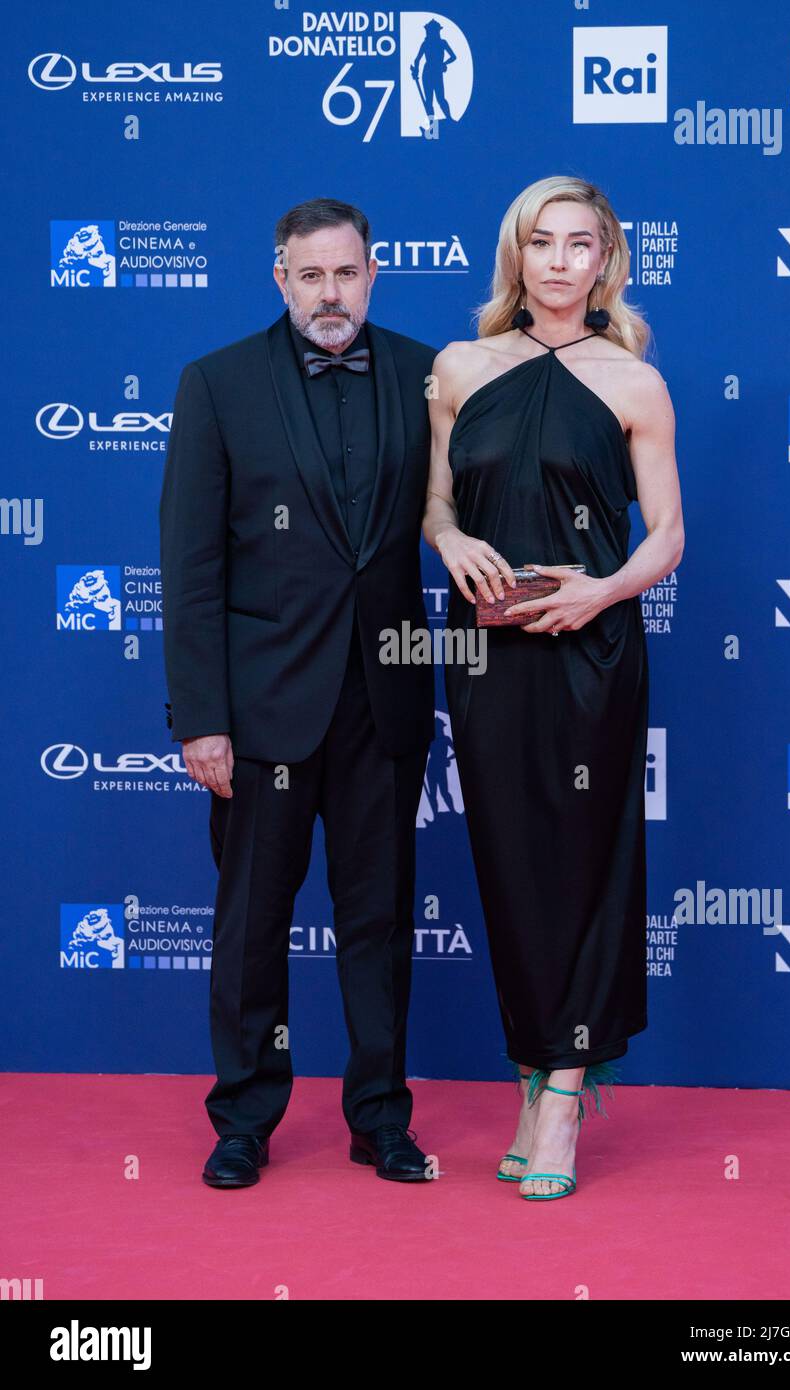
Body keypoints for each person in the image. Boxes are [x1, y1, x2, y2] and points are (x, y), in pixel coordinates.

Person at [159, 198, 437, 1187]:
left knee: (380, 919)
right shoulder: (218, 384)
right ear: (279, 278)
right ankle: (243, 1119)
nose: (329, 293)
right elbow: (190, 568)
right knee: (250, 927)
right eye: (309, 275)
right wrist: (200, 718)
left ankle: (380, 1117)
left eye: (346, 274)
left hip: (385, 699)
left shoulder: (424, 375)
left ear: (373, 274)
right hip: (262, 709)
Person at [422, 175, 684, 1200]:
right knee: (509, 863)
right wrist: (451, 543)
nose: (561, 261)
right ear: (515, 257)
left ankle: (566, 1092)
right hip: (485, 648)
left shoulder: (631, 383)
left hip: (591, 651)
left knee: (585, 858)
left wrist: (604, 590)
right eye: (542, 242)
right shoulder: (458, 366)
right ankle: (530, 1073)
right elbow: (435, 503)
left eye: (581, 243)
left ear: (606, 260)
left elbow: (665, 534)